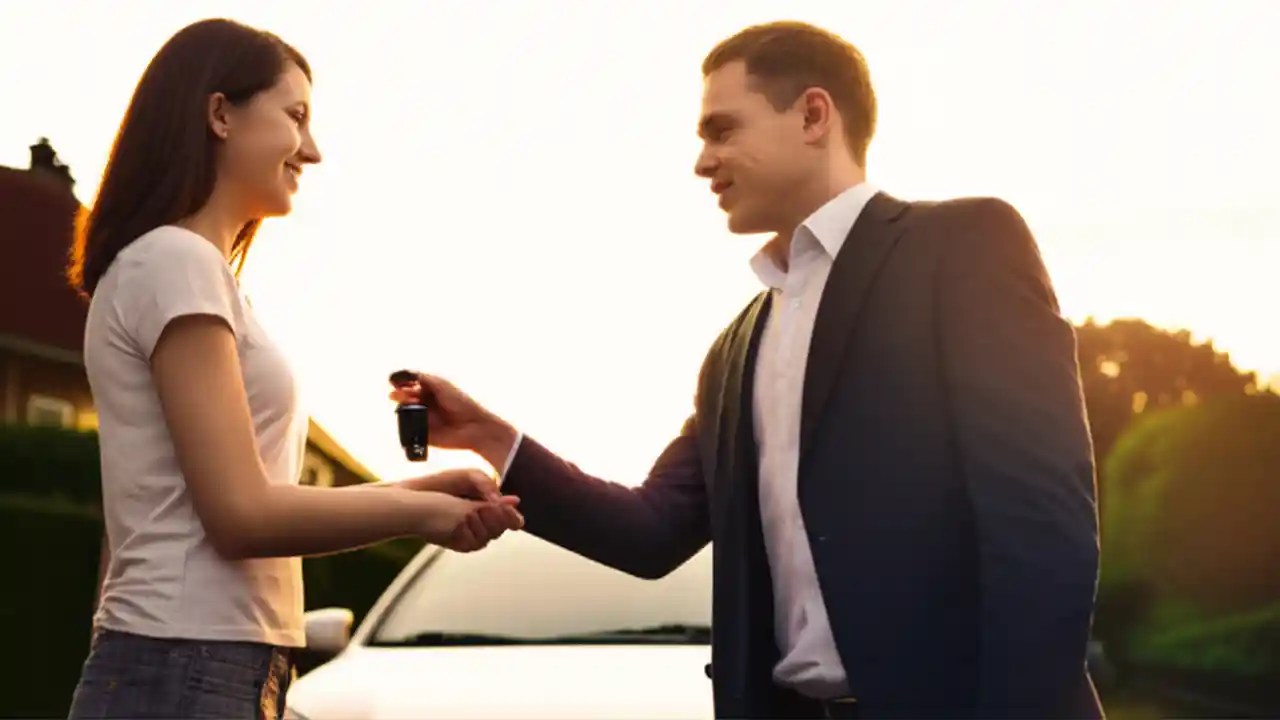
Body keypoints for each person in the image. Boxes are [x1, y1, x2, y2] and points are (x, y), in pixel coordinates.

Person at [392, 19, 1103, 720]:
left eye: (722, 129)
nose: (702, 161)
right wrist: (492, 439)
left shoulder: (963, 245)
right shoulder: (736, 347)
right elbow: (650, 531)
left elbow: (1041, 529)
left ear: (813, 115)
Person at [65, 19, 522, 718]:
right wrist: (420, 510)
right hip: (186, 663)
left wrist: (427, 485)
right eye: (296, 116)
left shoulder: (180, 269)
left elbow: (176, 512)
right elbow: (242, 514)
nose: (311, 149)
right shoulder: (176, 262)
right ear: (220, 114)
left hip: (192, 662)